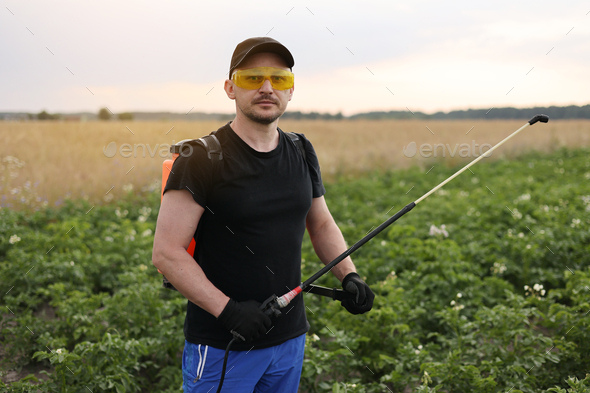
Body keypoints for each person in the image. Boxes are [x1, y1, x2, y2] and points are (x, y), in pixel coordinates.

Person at [152, 36, 375, 393]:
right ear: (230, 88)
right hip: (224, 344)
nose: (267, 88)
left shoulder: (301, 150)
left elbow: (320, 223)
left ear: (291, 91)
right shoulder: (201, 158)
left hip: (289, 340)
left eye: (279, 79)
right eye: (253, 78)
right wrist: (228, 311)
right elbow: (166, 253)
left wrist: (350, 276)